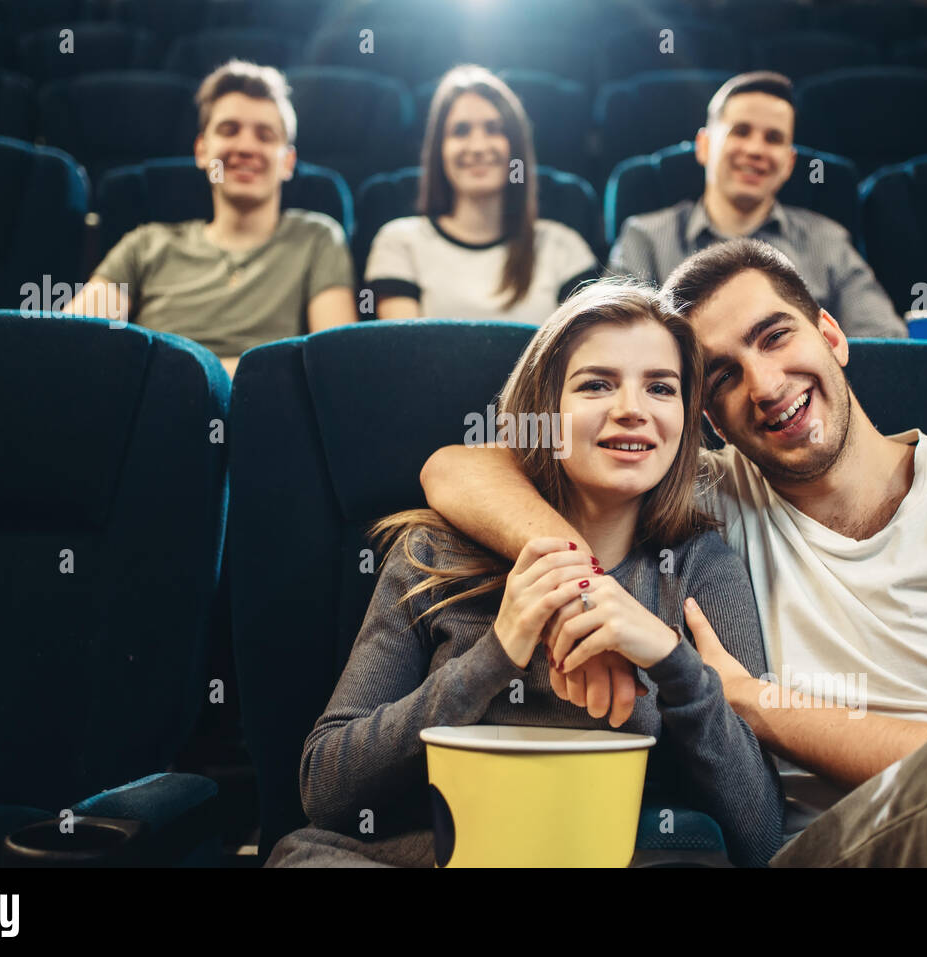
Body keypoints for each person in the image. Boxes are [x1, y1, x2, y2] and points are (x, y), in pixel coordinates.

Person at [420, 239, 927, 866]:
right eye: (722, 376)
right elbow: (456, 466)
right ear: (703, 416)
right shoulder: (707, 496)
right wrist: (584, 585)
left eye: (775, 336)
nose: (767, 384)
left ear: (831, 335)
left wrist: (753, 701)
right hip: (826, 849)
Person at [266, 281, 783, 867]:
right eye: (596, 385)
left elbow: (760, 835)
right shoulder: (432, 550)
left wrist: (672, 660)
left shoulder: (698, 562)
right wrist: (494, 657)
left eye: (660, 387)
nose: (632, 409)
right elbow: (326, 788)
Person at [66, 60, 357, 377]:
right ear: (202, 150)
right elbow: (73, 347)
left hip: (267, 416)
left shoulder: (317, 238)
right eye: (229, 130)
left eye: (265, 135)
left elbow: (334, 368)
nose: (246, 147)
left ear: (288, 162)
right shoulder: (145, 244)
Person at [609, 71, 906, 340]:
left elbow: (883, 343)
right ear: (704, 146)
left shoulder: (828, 241)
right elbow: (614, 342)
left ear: (789, 163)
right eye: (740, 131)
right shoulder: (645, 237)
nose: (755, 150)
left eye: (773, 138)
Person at [365, 65, 599, 324]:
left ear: (516, 146)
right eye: (461, 131)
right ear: (439, 150)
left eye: (494, 129)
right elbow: (406, 355)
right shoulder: (399, 242)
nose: (478, 147)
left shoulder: (565, 248)